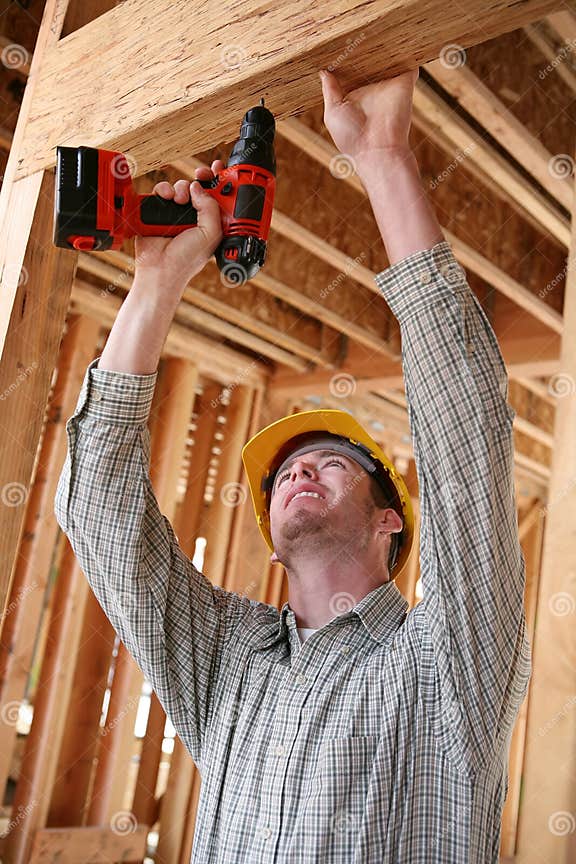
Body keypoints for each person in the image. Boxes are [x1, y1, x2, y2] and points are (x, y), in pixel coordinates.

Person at [54, 66, 532, 863]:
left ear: (392, 519)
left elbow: (466, 442)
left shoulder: (446, 662)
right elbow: (99, 516)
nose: (298, 472)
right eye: (281, 476)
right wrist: (156, 284)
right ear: (272, 540)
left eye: (333, 461)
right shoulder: (229, 663)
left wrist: (384, 160)